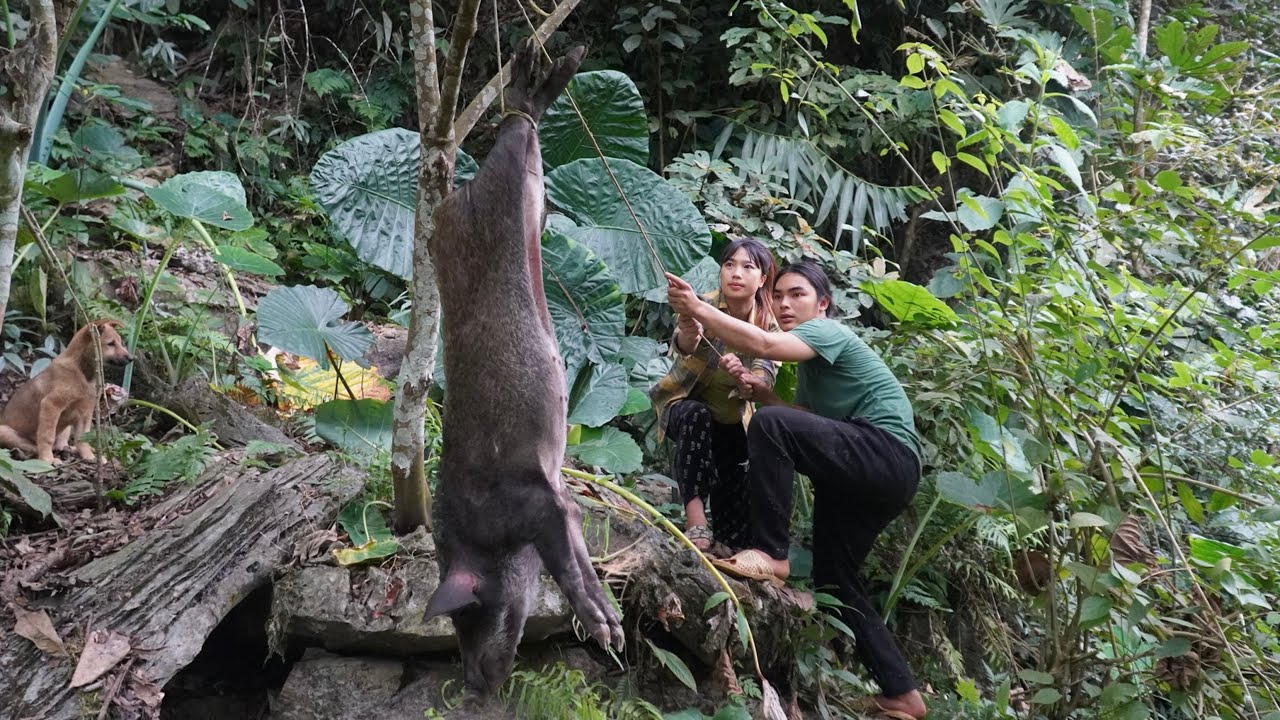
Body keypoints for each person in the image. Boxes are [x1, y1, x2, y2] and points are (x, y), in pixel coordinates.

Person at [666, 261, 928, 720]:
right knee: (836, 580)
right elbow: (805, 424)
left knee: (771, 425)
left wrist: (698, 310)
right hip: (870, 473)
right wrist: (760, 395)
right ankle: (902, 695)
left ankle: (772, 554)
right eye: (779, 296)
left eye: (797, 295)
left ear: (822, 304)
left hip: (884, 452)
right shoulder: (815, 364)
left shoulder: (828, 332)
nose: (785, 305)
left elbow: (764, 344)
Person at [650, 238, 781, 557]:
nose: (736, 273)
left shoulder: (768, 326)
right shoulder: (702, 304)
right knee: (696, 416)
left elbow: (763, 381)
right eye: (729, 265)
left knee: (733, 531)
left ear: (761, 279)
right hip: (685, 406)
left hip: (734, 423)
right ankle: (695, 523)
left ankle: (724, 541)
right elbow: (684, 345)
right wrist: (687, 326)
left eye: (747, 267)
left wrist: (744, 378)